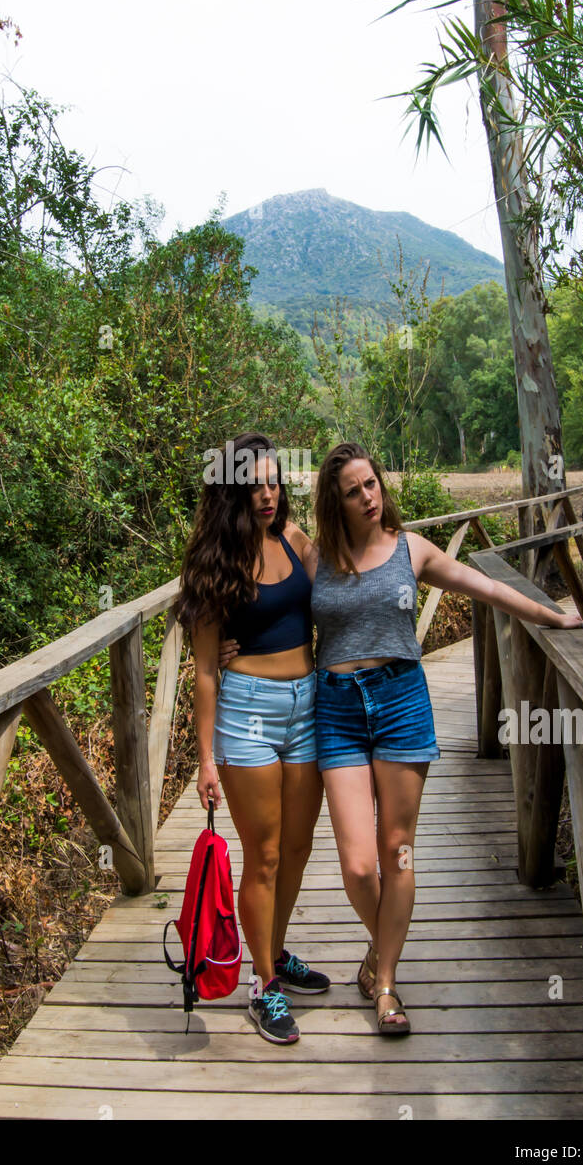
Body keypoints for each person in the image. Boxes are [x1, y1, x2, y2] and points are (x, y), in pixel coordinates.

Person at [308, 442, 583, 1036]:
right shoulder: (318, 558)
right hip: (335, 709)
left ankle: (384, 984)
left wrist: (553, 616)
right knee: (359, 866)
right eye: (354, 490)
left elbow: (484, 588)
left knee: (398, 848)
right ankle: (378, 949)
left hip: (401, 704)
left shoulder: (412, 550)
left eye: (372, 484)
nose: (368, 496)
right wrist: (228, 642)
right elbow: (273, 605)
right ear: (334, 502)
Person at [173, 432, 329, 1045]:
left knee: (296, 848)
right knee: (262, 855)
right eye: (255, 485)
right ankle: (263, 986)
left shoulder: (293, 539)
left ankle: (276, 947)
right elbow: (205, 671)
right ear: (233, 491)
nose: (268, 494)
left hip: (308, 707)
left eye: (274, 482)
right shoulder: (216, 561)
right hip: (249, 715)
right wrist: (205, 759)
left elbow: (338, 584)